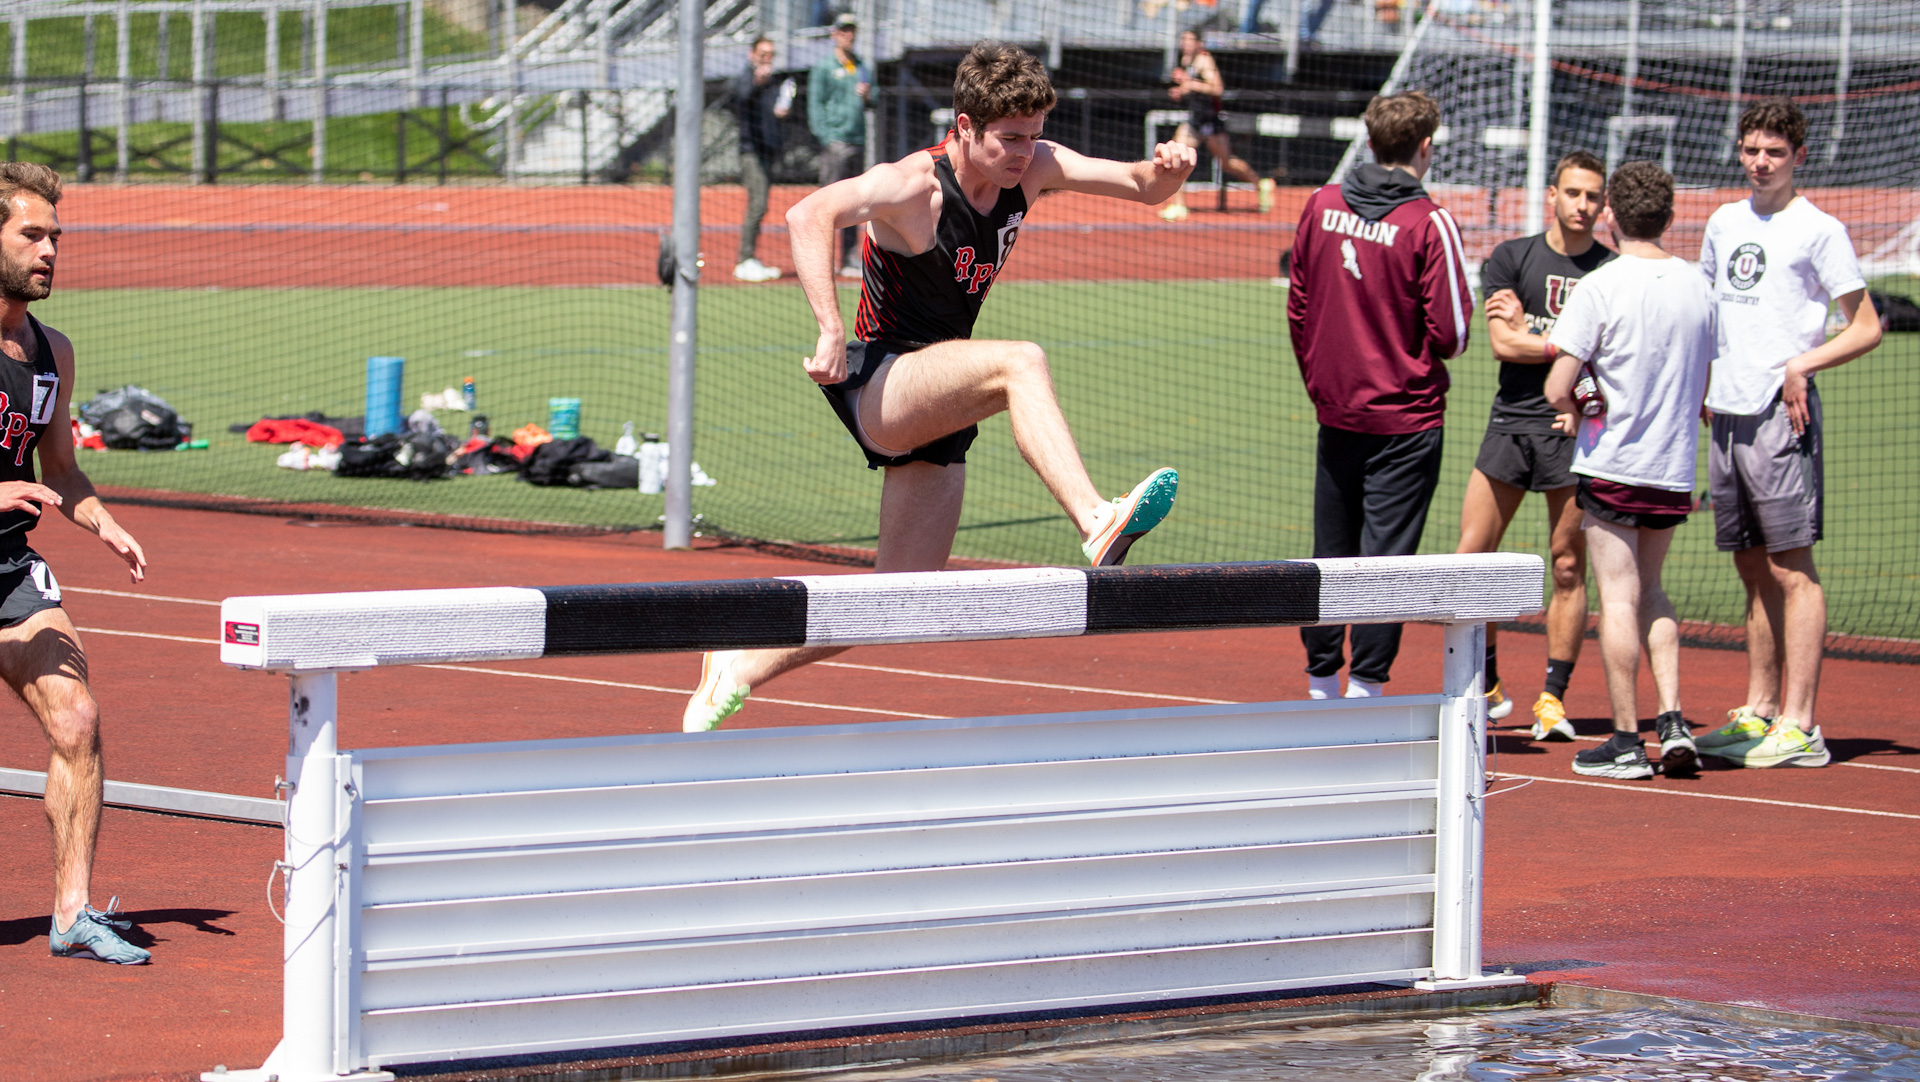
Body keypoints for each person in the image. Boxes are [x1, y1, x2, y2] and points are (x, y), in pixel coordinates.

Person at [682, 42, 1195, 732]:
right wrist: (829, 328)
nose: (1025, 152)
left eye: (1034, 135)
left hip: (940, 394)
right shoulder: (913, 185)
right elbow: (808, 214)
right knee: (1019, 361)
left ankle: (739, 664)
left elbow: (1143, 186)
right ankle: (1095, 520)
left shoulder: (1035, 167)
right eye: (1010, 138)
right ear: (964, 126)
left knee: (898, 600)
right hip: (885, 382)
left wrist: (1169, 169)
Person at [1693, 98, 1882, 768]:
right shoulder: (1722, 221)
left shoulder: (1819, 230)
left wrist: (1802, 364)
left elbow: (1866, 327)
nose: (1761, 162)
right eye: (1752, 150)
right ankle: (1760, 710)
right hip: (1725, 413)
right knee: (1750, 566)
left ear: (1798, 156)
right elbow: (1708, 310)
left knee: (1791, 568)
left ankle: (1801, 726)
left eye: (1774, 152)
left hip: (1781, 413)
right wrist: (1702, 382)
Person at [0, 162, 152, 963]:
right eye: (32, 234)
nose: (50, 250)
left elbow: (59, 470)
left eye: (55, 236)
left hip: (6, 568)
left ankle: (72, 914)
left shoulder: (50, 350)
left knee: (77, 720)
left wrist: (102, 521)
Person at [1287, 90, 1474, 700]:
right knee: (1386, 559)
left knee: (1332, 553)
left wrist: (1323, 384)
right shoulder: (1429, 222)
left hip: (1337, 412)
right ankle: (1367, 688)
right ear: (1425, 147)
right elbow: (1453, 335)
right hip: (1406, 420)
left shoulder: (1321, 204)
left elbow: (1298, 305)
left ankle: (1320, 683)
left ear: (1369, 142)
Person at [1543, 160, 1714, 781]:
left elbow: (1557, 384)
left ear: (1611, 212)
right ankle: (1672, 721)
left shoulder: (1601, 285)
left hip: (1614, 461)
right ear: (1669, 216)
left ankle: (1625, 741)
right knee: (1654, 591)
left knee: (1619, 599)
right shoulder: (1698, 285)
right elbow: (1705, 379)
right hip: (1672, 467)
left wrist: (1578, 404)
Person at [1460, 151, 1612, 738]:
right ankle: (1487, 684)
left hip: (1574, 432)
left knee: (1568, 564)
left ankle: (1553, 698)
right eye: (1573, 193)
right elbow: (1504, 345)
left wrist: (1538, 336)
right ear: (1552, 195)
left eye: (1592, 196)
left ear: (1603, 203)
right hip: (1510, 424)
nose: (1582, 205)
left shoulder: (1611, 270)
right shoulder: (1511, 257)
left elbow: (1610, 355)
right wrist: (1568, 345)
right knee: (1473, 558)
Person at [1158, 30, 1273, 221]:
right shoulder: (1188, 61)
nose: (1185, 44)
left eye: (1189, 40)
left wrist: (1190, 83)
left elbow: (1217, 88)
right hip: (1194, 121)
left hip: (1210, 121)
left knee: (1227, 162)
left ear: (1199, 43)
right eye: (1183, 40)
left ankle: (1261, 184)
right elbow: (1194, 87)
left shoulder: (1205, 59)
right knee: (1178, 156)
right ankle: (1179, 205)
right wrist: (1182, 90)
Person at [808, 13, 871, 278]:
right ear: (834, 34)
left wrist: (869, 94)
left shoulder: (861, 65)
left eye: (852, 30)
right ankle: (819, 261)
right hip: (835, 142)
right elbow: (815, 105)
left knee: (853, 206)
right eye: (844, 30)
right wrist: (826, 137)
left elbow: (874, 97)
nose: (849, 35)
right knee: (827, 206)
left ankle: (848, 259)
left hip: (857, 140)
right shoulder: (824, 67)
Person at [734, 37, 794, 283]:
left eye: (771, 54)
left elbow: (777, 112)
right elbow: (741, 98)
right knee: (757, 204)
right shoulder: (746, 77)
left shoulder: (774, 82)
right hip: (751, 151)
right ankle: (744, 259)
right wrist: (757, 82)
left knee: (762, 205)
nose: (767, 58)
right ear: (752, 54)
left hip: (768, 151)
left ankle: (749, 258)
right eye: (763, 53)